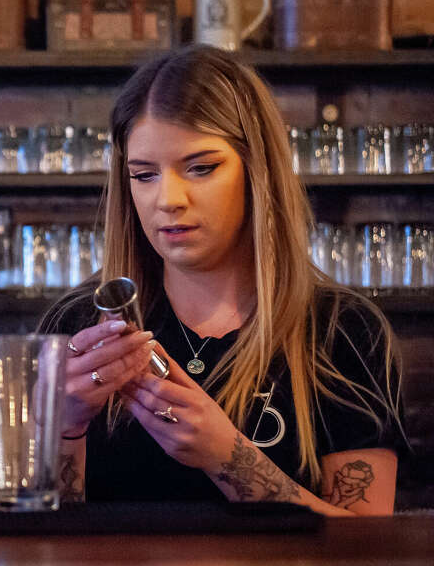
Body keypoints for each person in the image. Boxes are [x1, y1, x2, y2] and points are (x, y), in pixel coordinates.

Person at [39, 45, 407, 516]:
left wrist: (227, 457)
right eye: (145, 175)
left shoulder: (344, 332)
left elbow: (369, 554)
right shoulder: (77, 327)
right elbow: (39, 547)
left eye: (201, 168)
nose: (168, 199)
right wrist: (62, 427)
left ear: (258, 171)